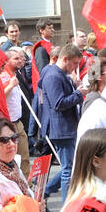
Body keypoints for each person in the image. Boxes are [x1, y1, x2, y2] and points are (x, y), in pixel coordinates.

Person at [38, 44, 83, 201]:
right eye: (75, 63)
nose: (76, 67)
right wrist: (79, 93)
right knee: (68, 170)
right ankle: (66, 205)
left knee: (71, 166)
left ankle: (47, 190)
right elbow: (58, 103)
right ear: (65, 59)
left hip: (67, 127)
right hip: (61, 128)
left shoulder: (60, 74)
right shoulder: (53, 75)